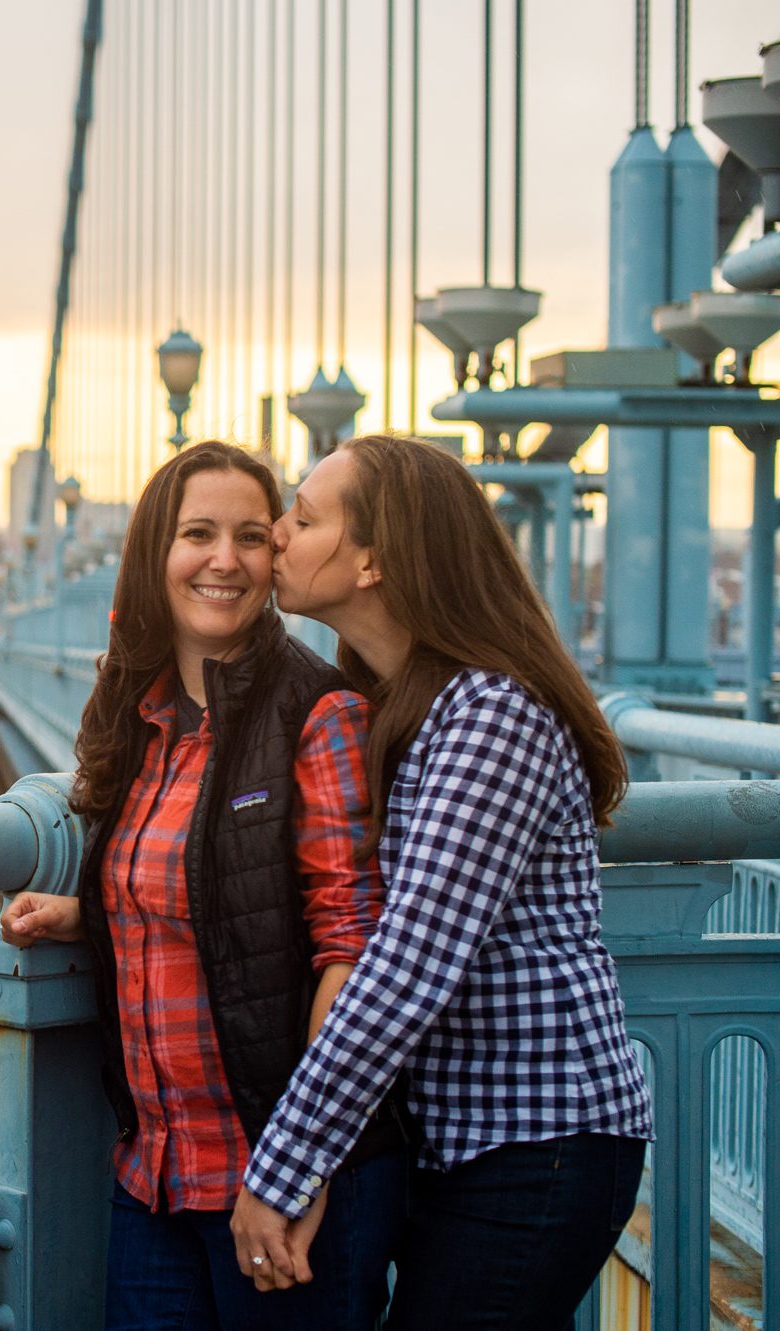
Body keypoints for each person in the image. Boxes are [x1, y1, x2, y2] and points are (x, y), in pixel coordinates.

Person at [229, 433, 652, 1330]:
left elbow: (409, 965)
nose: (276, 532)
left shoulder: (491, 716)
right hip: (469, 1145)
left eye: (303, 516)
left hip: (536, 1141)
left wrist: (285, 1166)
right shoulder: (401, 707)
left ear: (373, 560)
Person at [0, 440, 405, 1330]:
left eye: (252, 536)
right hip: (153, 1175)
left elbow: (351, 945)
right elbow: (213, 884)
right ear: (157, 551)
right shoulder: (138, 714)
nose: (225, 559)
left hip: (281, 1179)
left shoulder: (320, 713)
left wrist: (300, 1163)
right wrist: (95, 912)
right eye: (198, 534)